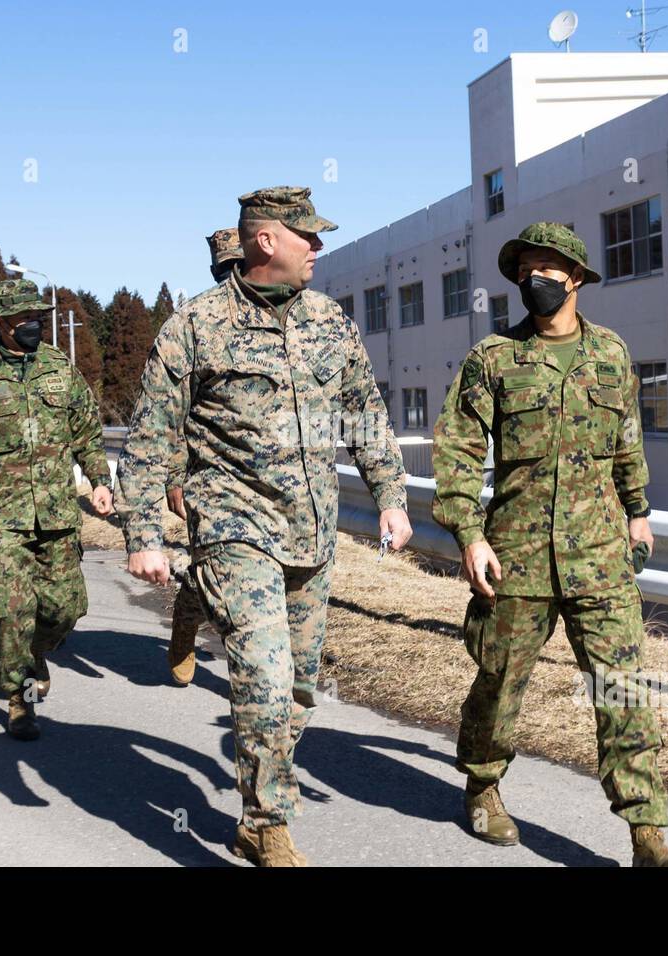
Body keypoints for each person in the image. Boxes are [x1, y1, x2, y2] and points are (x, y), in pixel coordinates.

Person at [120, 186, 412, 866]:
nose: (319, 247)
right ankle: (265, 820)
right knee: (266, 675)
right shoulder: (195, 326)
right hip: (231, 524)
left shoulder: (331, 322)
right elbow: (149, 436)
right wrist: (143, 535)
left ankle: (264, 783)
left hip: (312, 531)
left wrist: (391, 496)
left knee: (300, 690)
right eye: (306, 235)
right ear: (264, 241)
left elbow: (363, 413)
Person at [431, 222, 668, 867]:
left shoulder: (611, 354)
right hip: (515, 555)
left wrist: (638, 511)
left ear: (575, 278)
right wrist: (469, 534)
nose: (534, 280)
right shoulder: (492, 359)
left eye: (547, 269)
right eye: (525, 271)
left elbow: (628, 439)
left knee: (624, 688)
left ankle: (647, 835)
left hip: (600, 555)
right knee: (498, 681)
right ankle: (483, 784)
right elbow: (459, 452)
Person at [0, 278, 114, 740]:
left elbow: (87, 432)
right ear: (0, 323)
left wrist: (99, 481)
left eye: (38, 317)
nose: (33, 325)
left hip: (58, 510)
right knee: (14, 608)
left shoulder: (60, 369)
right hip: (7, 513)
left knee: (65, 609)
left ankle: (36, 652)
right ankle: (20, 698)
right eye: (23, 318)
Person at [163, 226, 245, 687]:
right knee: (211, 573)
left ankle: (256, 673)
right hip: (208, 480)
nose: (235, 276)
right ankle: (186, 619)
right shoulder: (197, 325)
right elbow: (171, 414)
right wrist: (175, 477)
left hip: (270, 484)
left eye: (241, 265)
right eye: (227, 269)